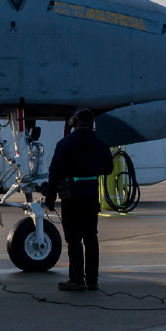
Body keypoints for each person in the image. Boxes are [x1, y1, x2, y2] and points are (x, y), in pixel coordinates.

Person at [45, 107, 113, 292]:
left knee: (74, 239)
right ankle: (92, 281)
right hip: (91, 195)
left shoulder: (65, 144)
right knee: (91, 238)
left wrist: (49, 198)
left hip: (71, 197)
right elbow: (108, 169)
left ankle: (76, 279)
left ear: (74, 122)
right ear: (92, 123)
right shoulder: (101, 144)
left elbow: (54, 173)